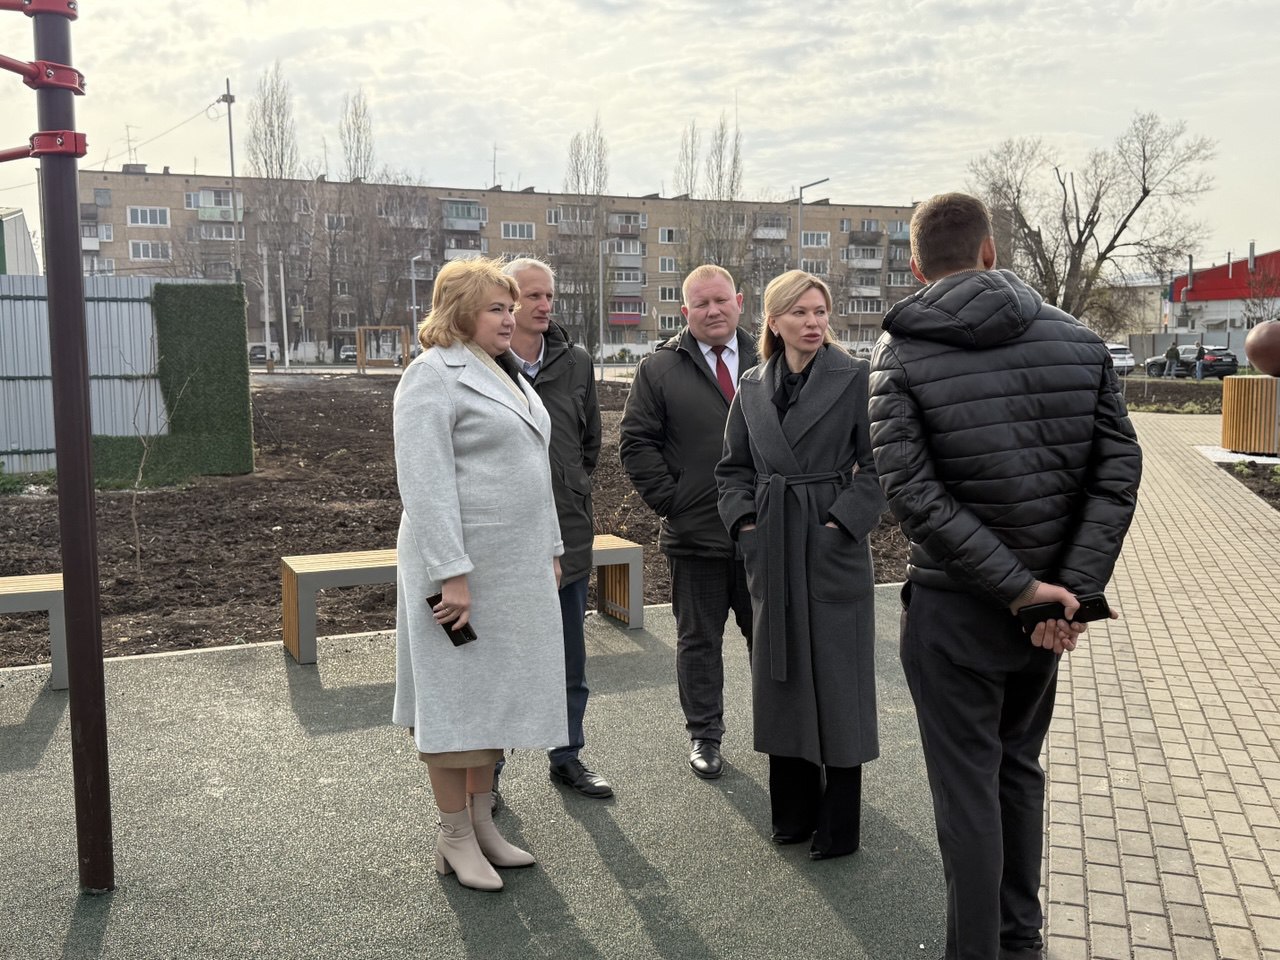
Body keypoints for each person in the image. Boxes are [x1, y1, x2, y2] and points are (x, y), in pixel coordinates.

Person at [868, 193, 1142, 960]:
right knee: (1017, 771)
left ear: (918, 266)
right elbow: (1117, 470)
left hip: (959, 609)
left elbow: (912, 494)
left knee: (968, 794)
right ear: (990, 251)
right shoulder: (1081, 342)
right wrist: (1068, 594)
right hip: (1046, 614)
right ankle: (1022, 943)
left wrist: (1023, 591)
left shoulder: (901, 353)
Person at [391, 257, 568, 893]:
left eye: (511, 306)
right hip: (462, 572)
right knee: (455, 702)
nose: (511, 317)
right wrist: (451, 574)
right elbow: (425, 484)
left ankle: (481, 822)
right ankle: (454, 835)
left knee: (493, 698)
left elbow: (534, 466)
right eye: (497, 308)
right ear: (462, 311)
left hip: (514, 567)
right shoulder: (431, 377)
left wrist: (550, 548)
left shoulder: (506, 372)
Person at [715, 270, 886, 860]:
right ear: (774, 320)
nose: (814, 322)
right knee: (780, 679)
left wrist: (841, 523)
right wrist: (747, 526)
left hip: (829, 545)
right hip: (774, 544)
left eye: (821, 311)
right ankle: (792, 815)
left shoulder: (856, 377)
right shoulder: (752, 385)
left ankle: (838, 829)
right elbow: (732, 469)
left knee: (839, 685)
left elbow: (881, 464)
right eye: (801, 312)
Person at [620, 264, 758, 780]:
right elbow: (635, 444)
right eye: (700, 304)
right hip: (694, 535)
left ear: (739, 301)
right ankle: (705, 734)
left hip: (763, 534)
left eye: (721, 300)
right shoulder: (659, 368)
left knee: (767, 639)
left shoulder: (770, 357)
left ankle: (779, 729)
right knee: (698, 641)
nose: (712, 311)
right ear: (685, 311)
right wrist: (674, 501)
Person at [498, 257, 612, 800]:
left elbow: (589, 442)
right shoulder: (481, 362)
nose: (544, 306)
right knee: (500, 659)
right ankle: (486, 774)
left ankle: (566, 755)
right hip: (504, 540)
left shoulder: (576, 361)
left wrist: (569, 484)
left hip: (567, 532)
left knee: (569, 654)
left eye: (550, 296)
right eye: (532, 296)